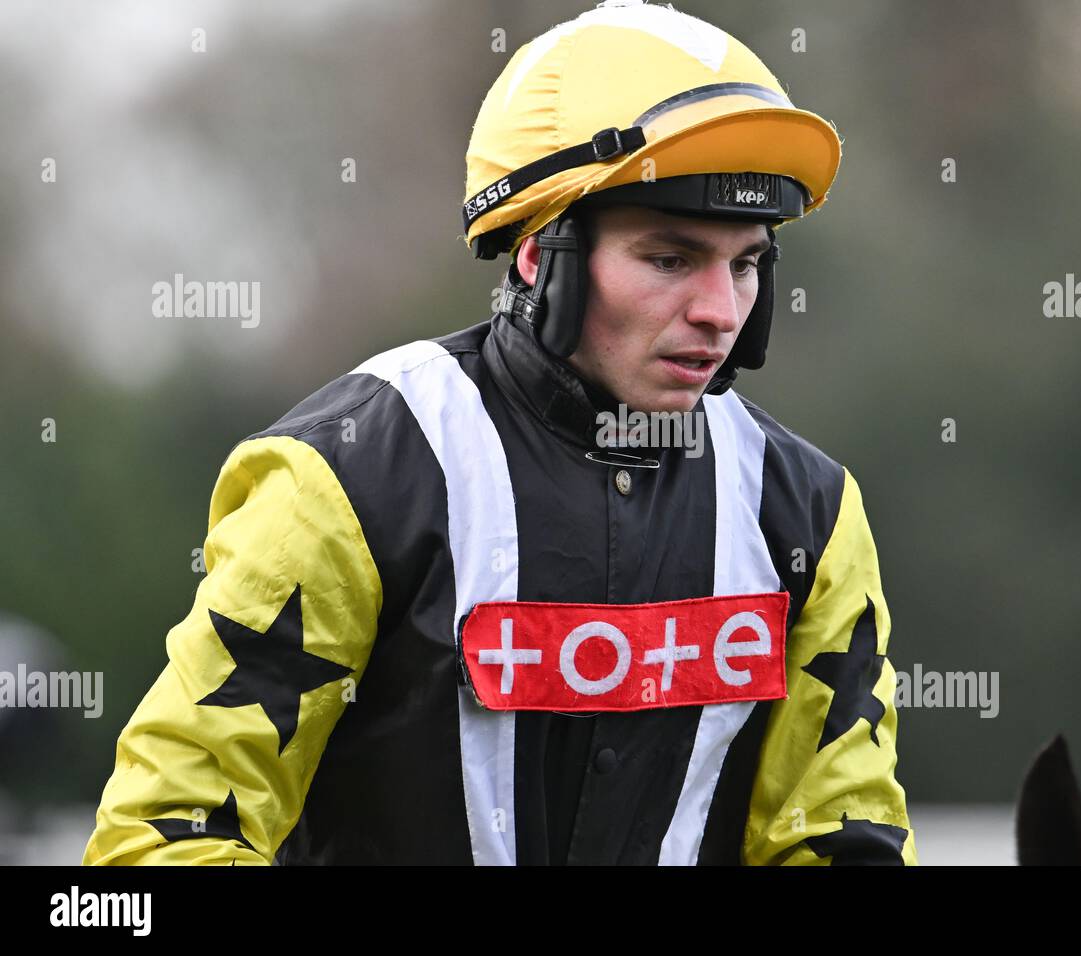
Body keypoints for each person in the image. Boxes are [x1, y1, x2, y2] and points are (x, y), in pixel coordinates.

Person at [83, 0, 917, 866]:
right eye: (671, 260)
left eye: (745, 263)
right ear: (537, 256)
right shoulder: (349, 476)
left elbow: (841, 839)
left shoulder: (810, 511)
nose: (719, 312)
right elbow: (164, 838)